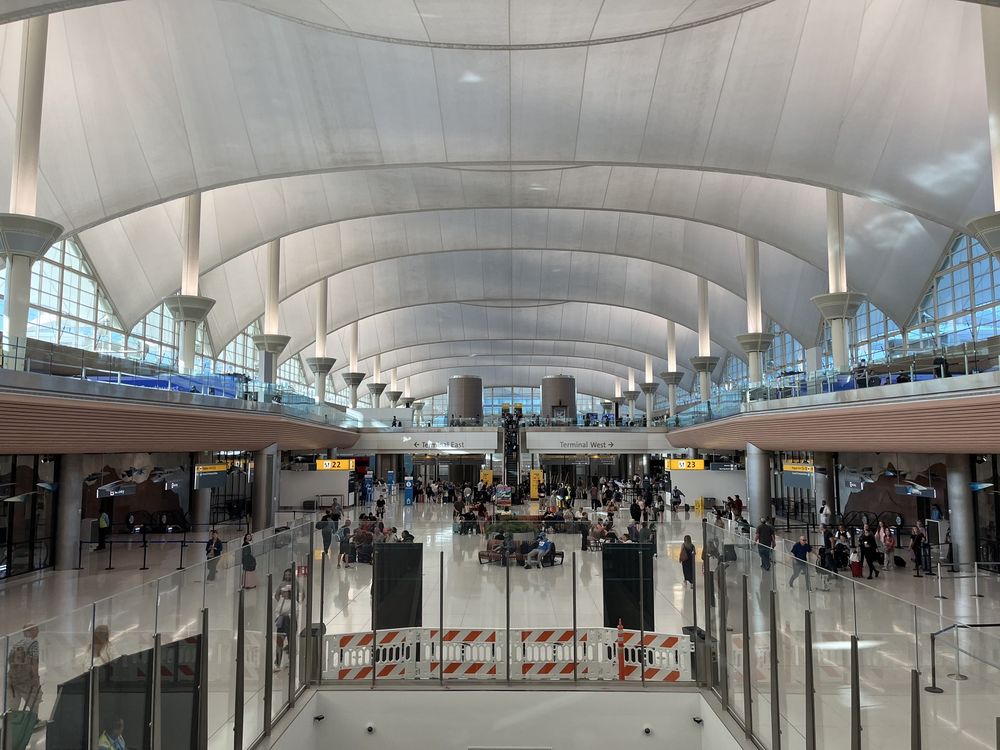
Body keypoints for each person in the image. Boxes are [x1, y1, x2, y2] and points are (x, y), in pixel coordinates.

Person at [7, 624, 41, 713]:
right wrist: (36, 678)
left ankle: (12, 721)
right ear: (29, 632)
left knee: (14, 703)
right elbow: (34, 663)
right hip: (27, 679)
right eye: (36, 629)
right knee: (34, 700)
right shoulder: (34, 644)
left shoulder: (17, 644)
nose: (38, 631)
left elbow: (10, 660)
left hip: (13, 678)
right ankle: (33, 720)